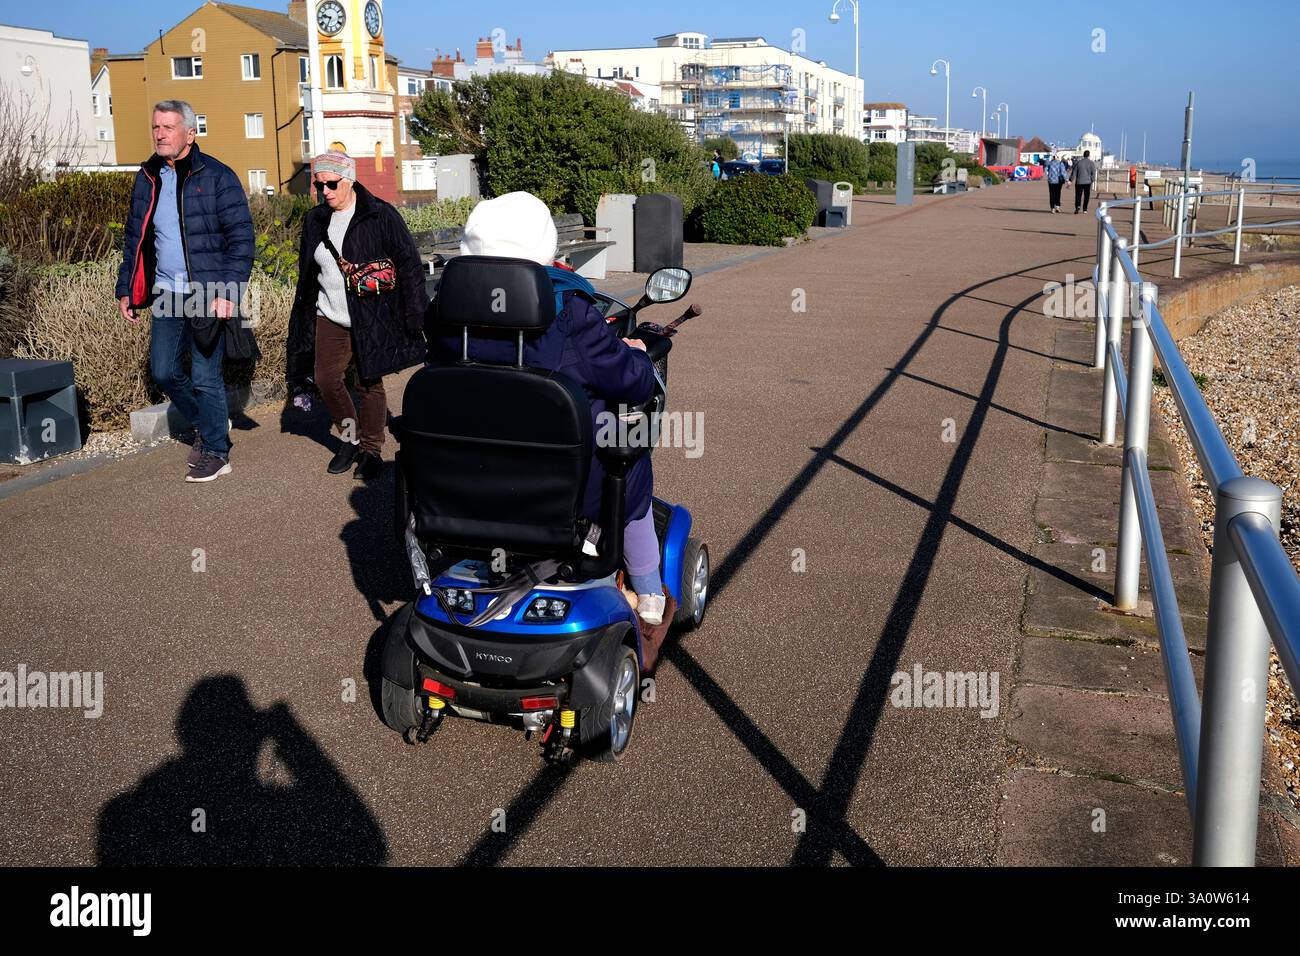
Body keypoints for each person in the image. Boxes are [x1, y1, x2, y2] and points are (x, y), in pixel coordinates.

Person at [429, 192, 669, 625]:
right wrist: (636, 354)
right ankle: (650, 592)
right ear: (542, 246)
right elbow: (628, 383)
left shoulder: (443, 316)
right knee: (630, 460)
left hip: (466, 483)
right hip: (569, 486)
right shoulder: (569, 311)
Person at [116, 100, 253, 483]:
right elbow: (135, 239)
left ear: (190, 133)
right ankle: (208, 423)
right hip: (165, 291)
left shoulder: (217, 176)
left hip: (208, 292)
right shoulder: (147, 177)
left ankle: (216, 451)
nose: (160, 134)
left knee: (206, 377)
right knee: (163, 370)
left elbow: (241, 240)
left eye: (168, 127)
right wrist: (127, 288)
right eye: (156, 127)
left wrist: (229, 292)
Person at [286, 152, 428, 481]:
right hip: (330, 314)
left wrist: (414, 313)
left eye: (331, 184)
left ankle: (371, 450)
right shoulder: (315, 220)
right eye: (319, 185)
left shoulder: (379, 215)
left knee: (368, 382)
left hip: (371, 314)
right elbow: (307, 273)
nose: (325, 191)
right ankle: (349, 438)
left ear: (349, 179)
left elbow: (408, 263)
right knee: (326, 380)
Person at [1071, 149, 1098, 214]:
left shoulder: (1078, 162)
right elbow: (1093, 172)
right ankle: (1085, 209)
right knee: (1086, 196)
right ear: (1089, 155)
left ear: (1083, 155)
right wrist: (1093, 180)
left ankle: (1077, 207)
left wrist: (1071, 180)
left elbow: (1074, 172)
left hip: (1079, 181)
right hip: (1087, 182)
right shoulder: (1091, 163)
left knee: (1078, 195)